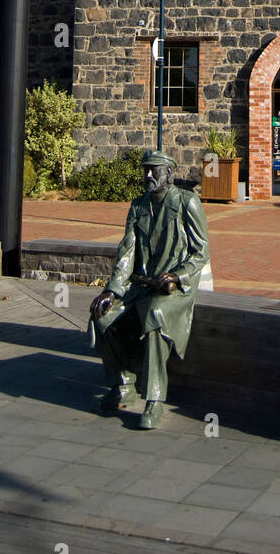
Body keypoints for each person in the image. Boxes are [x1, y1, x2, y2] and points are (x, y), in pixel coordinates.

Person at [89, 149, 210, 428]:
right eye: (145, 170)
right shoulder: (138, 205)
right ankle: (122, 385)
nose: (147, 175)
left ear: (168, 174)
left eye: (154, 170)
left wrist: (177, 276)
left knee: (156, 314)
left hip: (173, 289)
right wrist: (112, 291)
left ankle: (155, 399)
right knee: (103, 315)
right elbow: (127, 252)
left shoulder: (186, 202)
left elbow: (200, 253)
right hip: (139, 286)